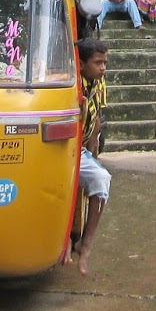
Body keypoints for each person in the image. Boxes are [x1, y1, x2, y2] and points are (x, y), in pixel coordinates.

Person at [69, 38, 111, 276]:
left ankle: (85, 245)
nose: (103, 68)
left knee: (101, 180)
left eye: (105, 63)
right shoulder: (71, 85)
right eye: (98, 63)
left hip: (82, 150)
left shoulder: (98, 83)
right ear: (82, 64)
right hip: (63, 150)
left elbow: (95, 124)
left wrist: (94, 157)